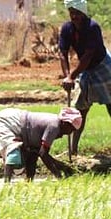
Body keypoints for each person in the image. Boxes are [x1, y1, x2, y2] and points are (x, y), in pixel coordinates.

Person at [59, 0, 111, 156]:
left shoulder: (92, 28)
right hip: (85, 70)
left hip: (102, 67)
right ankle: (73, 151)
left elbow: (88, 56)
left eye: (77, 13)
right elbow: (63, 53)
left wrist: (72, 76)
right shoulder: (67, 29)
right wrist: (68, 76)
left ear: (83, 12)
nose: (74, 16)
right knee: (80, 111)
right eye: (71, 13)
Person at [0, 107, 81, 182]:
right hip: (9, 120)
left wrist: (63, 167)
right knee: (13, 152)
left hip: (23, 127)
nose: (70, 133)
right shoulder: (54, 126)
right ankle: (6, 184)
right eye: (71, 129)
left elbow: (39, 153)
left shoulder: (56, 125)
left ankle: (29, 182)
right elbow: (43, 155)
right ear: (65, 123)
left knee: (33, 154)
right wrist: (59, 175)